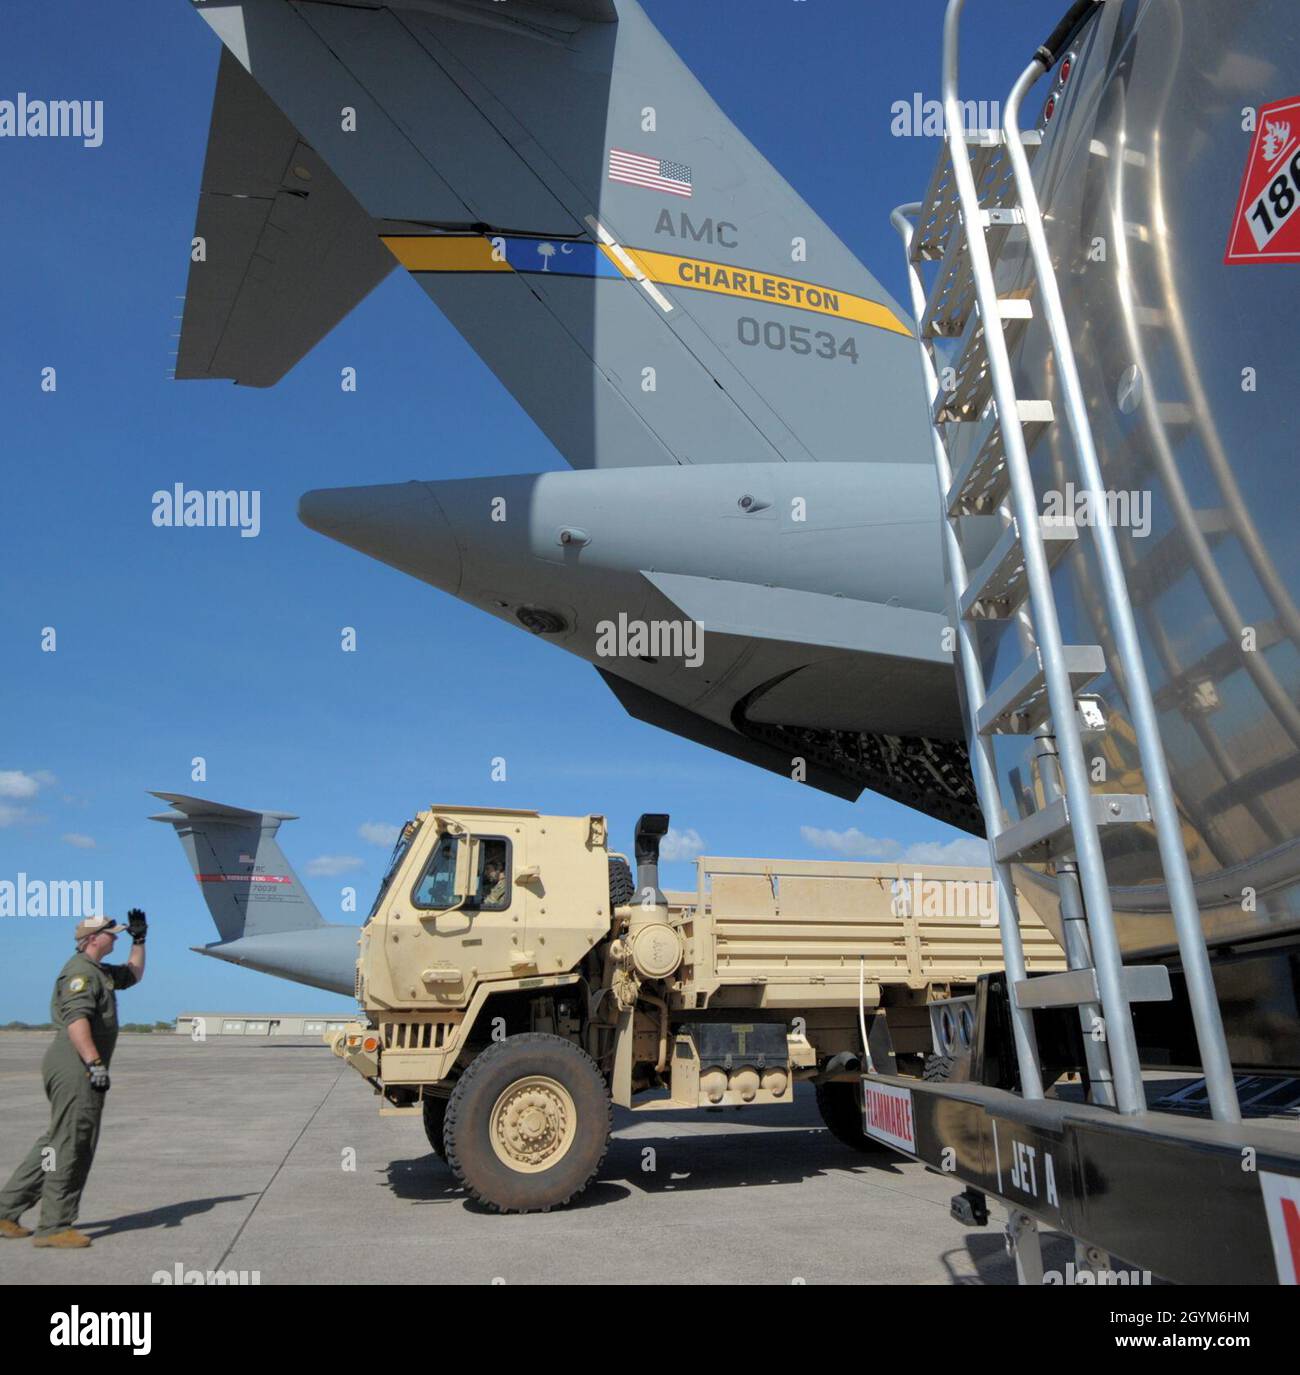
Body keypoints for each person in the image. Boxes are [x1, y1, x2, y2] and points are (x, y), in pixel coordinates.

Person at [0, 908, 147, 1248]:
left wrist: (140, 941)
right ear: (92, 939)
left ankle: (6, 1209)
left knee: (55, 1142)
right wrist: (94, 1063)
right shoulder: (80, 973)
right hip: (75, 1065)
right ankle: (54, 1226)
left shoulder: (98, 971)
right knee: (73, 1144)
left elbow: (134, 974)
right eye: (113, 932)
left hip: (76, 1063)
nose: (117, 936)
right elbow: (76, 1020)